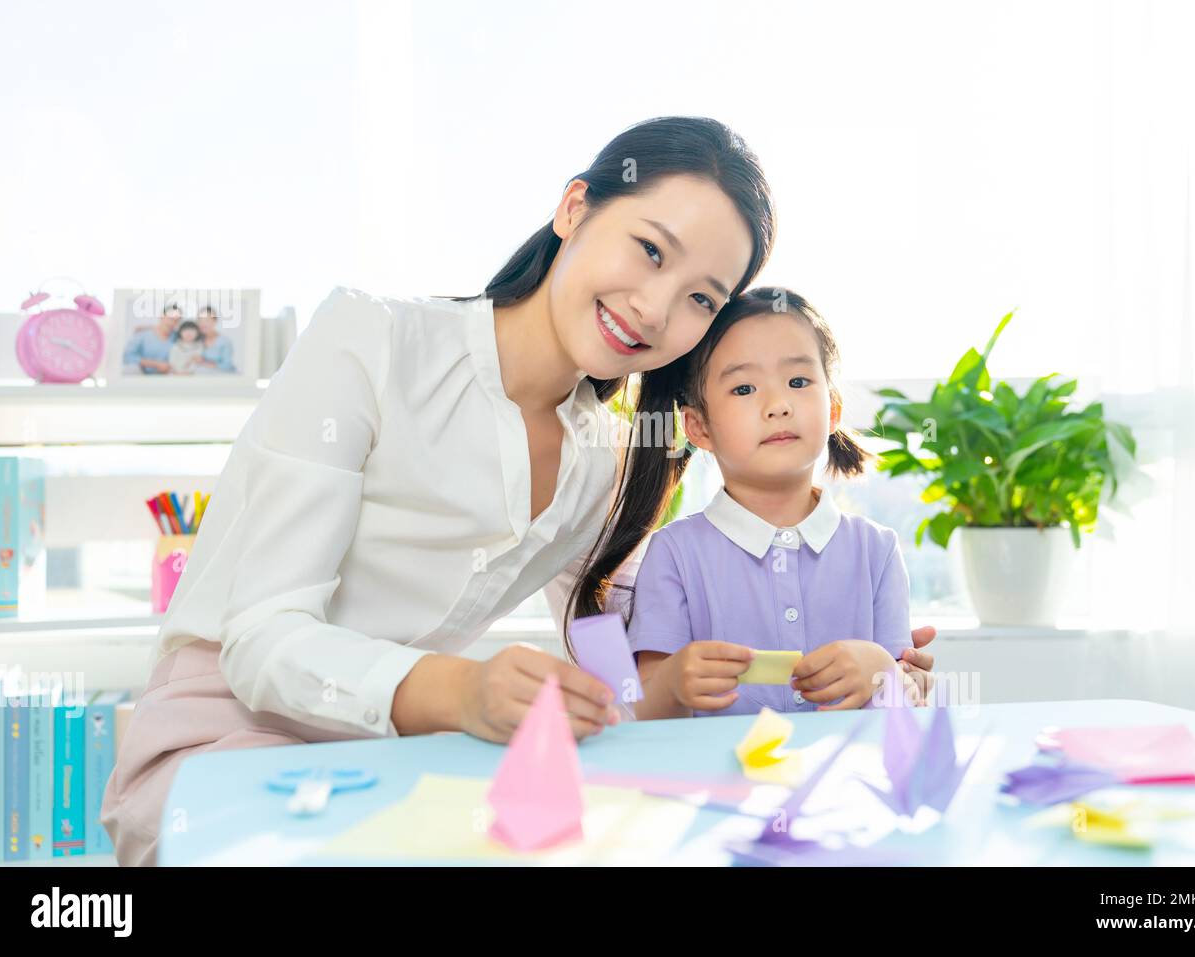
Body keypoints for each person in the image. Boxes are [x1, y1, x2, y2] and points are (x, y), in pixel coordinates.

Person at [99, 117, 937, 866]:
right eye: (650, 249)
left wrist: (846, 656)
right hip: (226, 745)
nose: (653, 308)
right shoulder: (369, 341)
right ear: (574, 208)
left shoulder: (602, 458)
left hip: (407, 758)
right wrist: (462, 689)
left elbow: (614, 646)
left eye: (699, 299)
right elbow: (261, 639)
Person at [629, 289, 924, 718]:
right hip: (719, 782)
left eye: (799, 382)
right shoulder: (675, 553)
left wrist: (885, 674)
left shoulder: (876, 551)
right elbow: (647, 710)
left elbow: (907, 711)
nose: (778, 405)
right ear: (698, 427)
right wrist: (673, 683)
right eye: (744, 388)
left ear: (834, 408)